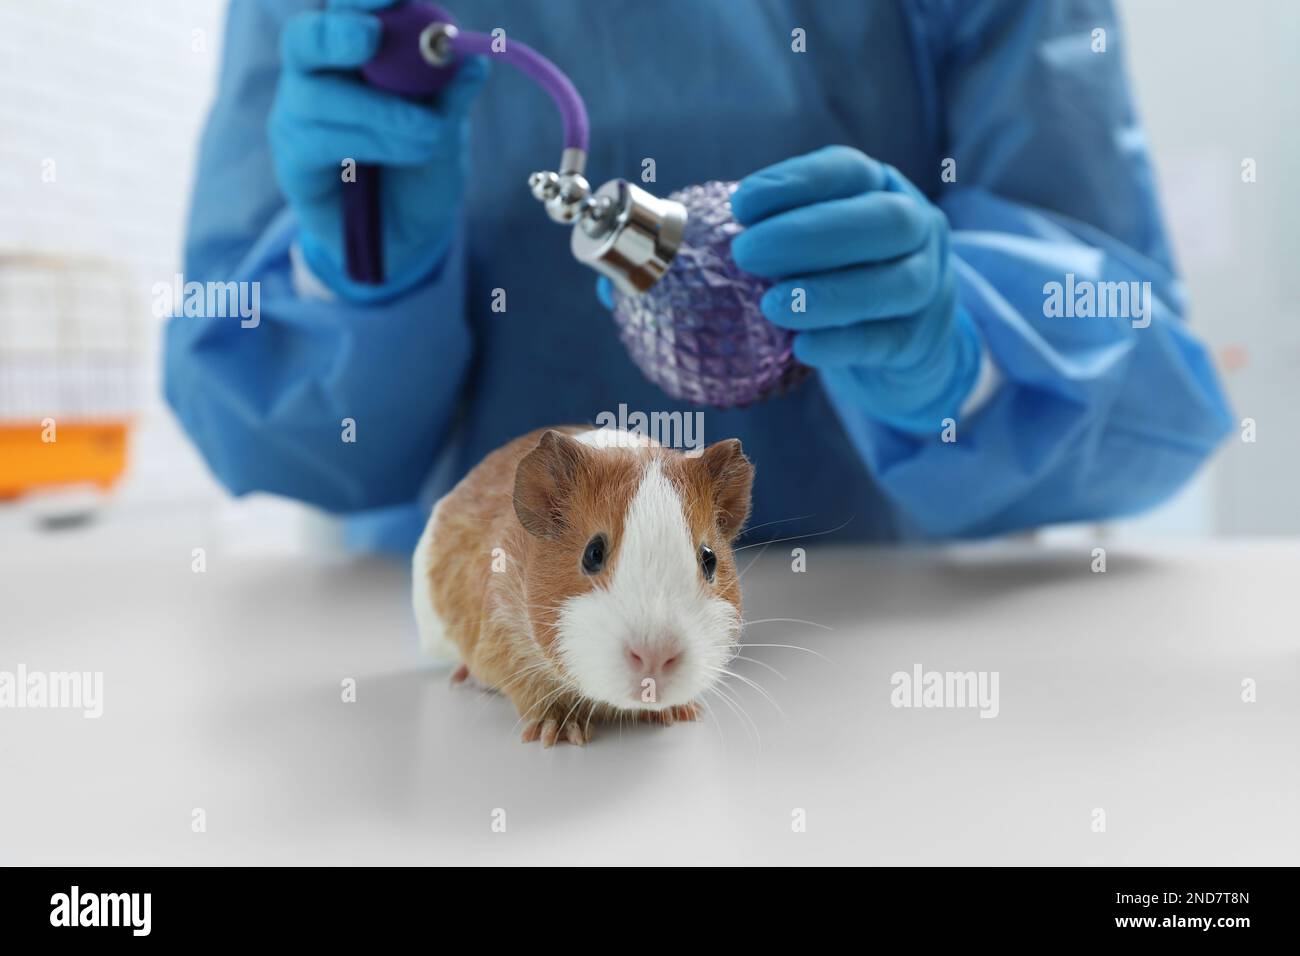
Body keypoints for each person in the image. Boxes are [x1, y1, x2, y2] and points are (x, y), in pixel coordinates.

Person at [165, 0, 1232, 555]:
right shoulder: (345, 22)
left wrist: (965, 358)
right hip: (479, 678)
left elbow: (1151, 388)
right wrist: (350, 275)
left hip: (858, 656)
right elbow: (269, 434)